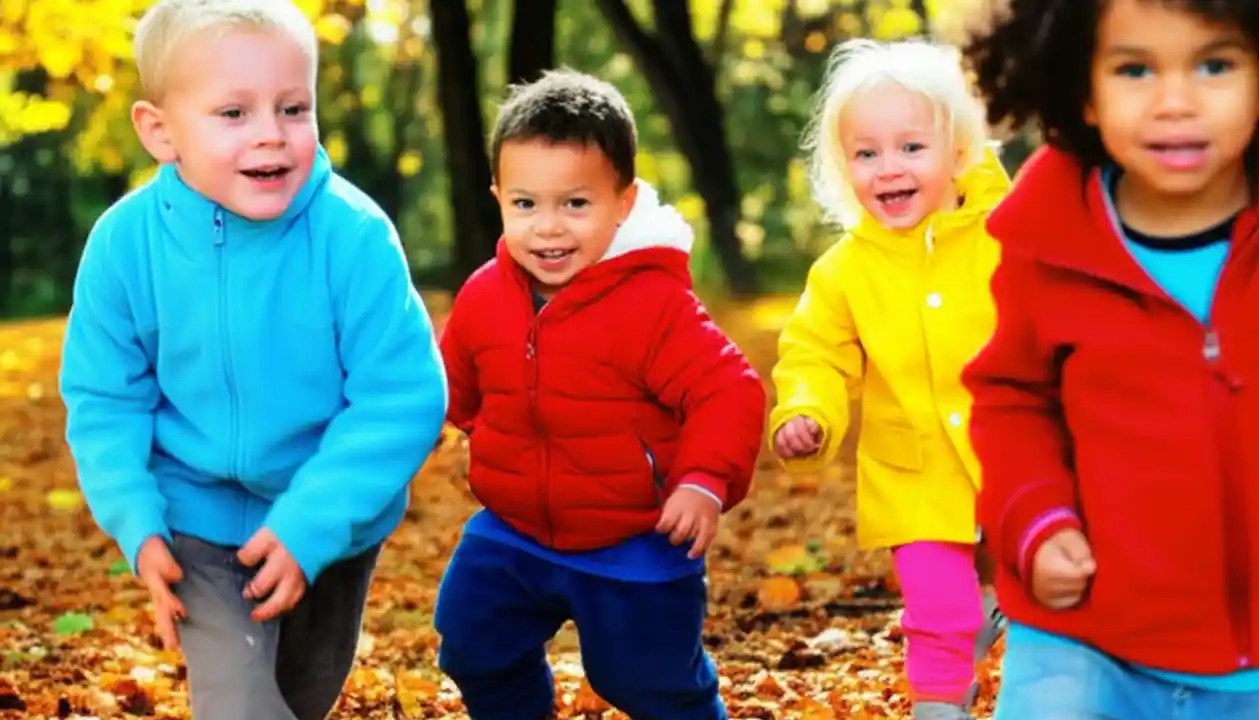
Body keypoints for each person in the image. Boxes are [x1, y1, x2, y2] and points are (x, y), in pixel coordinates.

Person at [58, 1, 447, 718]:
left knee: (302, 695)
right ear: (160, 131)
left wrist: (312, 524)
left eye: (293, 108)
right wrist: (137, 520)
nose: (272, 134)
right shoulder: (124, 246)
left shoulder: (352, 236)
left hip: (334, 518)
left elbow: (402, 395)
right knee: (239, 703)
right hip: (196, 515)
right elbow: (106, 398)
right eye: (233, 114)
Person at [962, 0, 1259, 716]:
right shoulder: (1046, 246)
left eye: (1214, 65)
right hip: (1088, 644)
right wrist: (1037, 519)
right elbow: (1011, 402)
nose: (1175, 102)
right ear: (1084, 91)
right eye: (1135, 69)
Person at [432, 69, 766, 720]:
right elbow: (449, 385)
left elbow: (727, 389)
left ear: (623, 200)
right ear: (498, 196)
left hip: (633, 535)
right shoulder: (483, 295)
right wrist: (427, 424)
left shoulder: (653, 303)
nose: (548, 228)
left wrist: (702, 480)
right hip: (516, 528)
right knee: (473, 641)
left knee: (644, 682)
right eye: (525, 204)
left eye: (575, 204)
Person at [770, 38, 1010, 720]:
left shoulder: (1010, 236)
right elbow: (816, 352)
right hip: (916, 477)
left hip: (1017, 460)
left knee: (1036, 595)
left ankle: (1020, 656)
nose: (888, 168)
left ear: (958, 149)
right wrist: (805, 411)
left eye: (911, 147)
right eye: (866, 153)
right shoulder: (845, 270)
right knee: (937, 609)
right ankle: (940, 703)